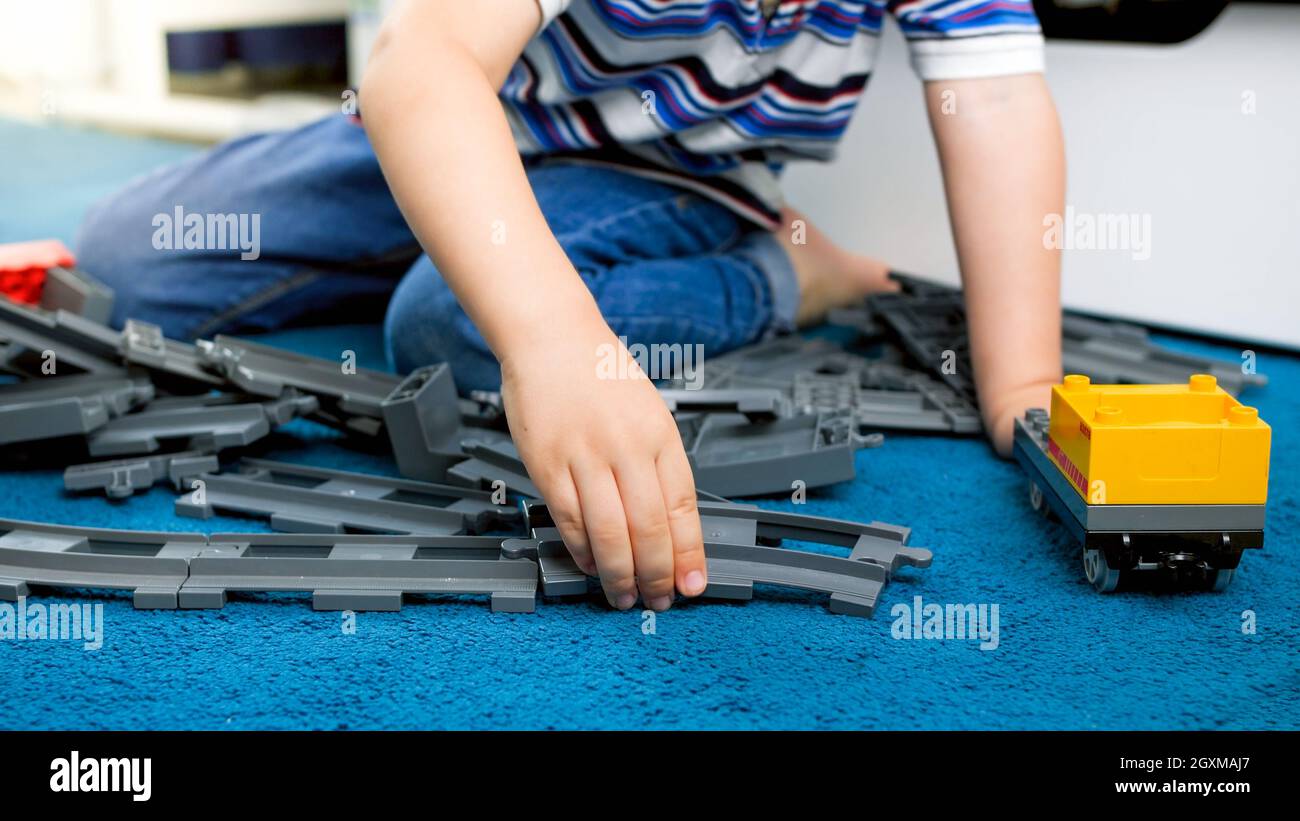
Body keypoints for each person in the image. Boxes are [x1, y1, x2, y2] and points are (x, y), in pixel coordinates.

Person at [77, 0, 1064, 615]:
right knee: (130, 261)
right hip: (484, 116)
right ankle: (465, 227)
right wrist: (549, 333)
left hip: (671, 177)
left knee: (447, 333)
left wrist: (1023, 381)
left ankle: (783, 270)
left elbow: (996, 107)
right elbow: (422, 65)